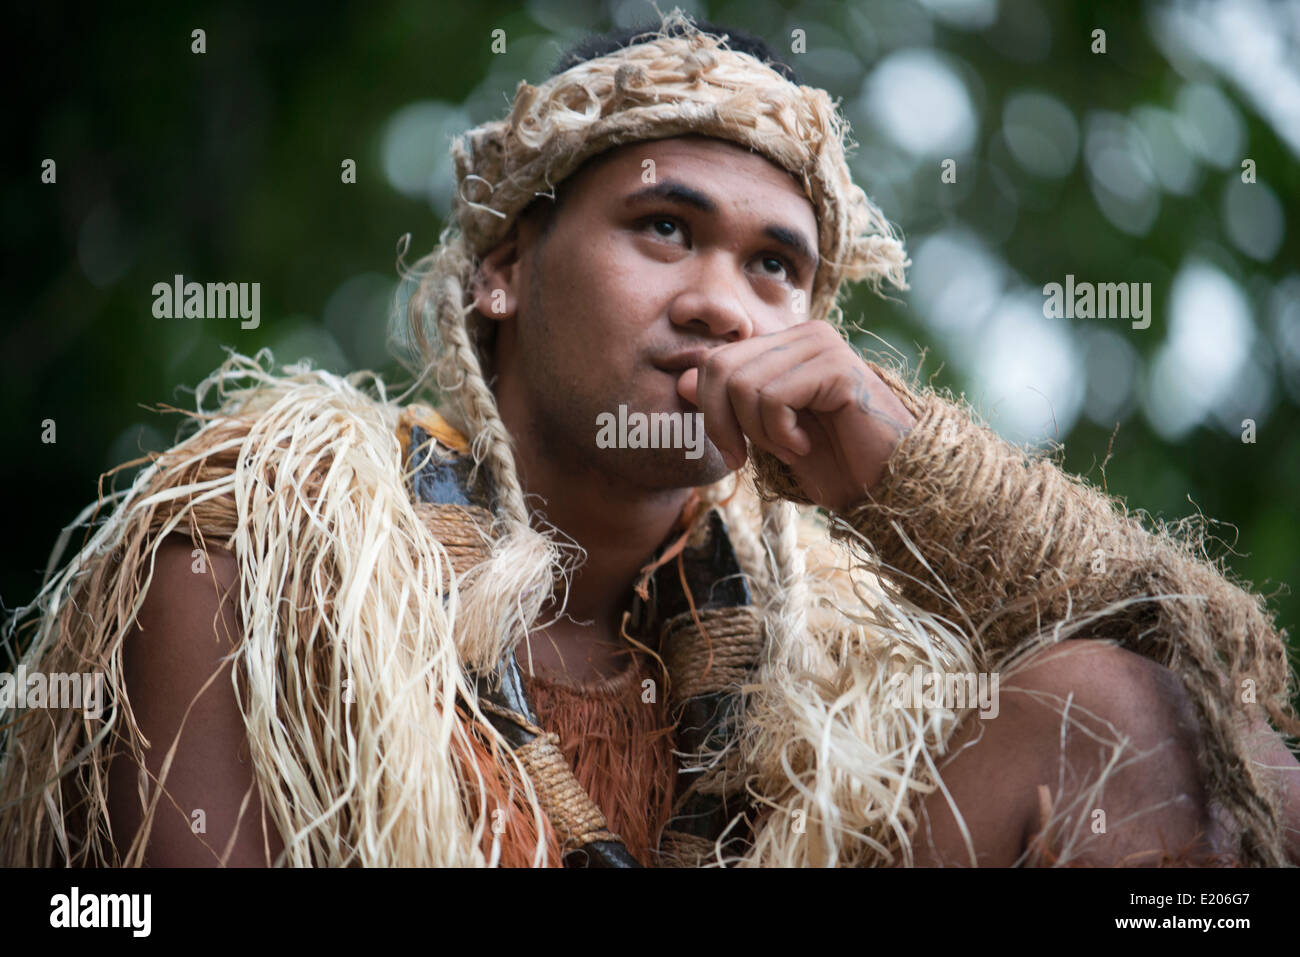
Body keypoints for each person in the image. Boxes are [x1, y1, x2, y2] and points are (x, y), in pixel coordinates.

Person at [2, 9, 1297, 868]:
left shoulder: (833, 647)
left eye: (778, 265)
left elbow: (1243, 721)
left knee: (1131, 714)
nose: (722, 300)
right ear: (504, 271)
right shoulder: (266, 551)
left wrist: (904, 476)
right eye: (665, 228)